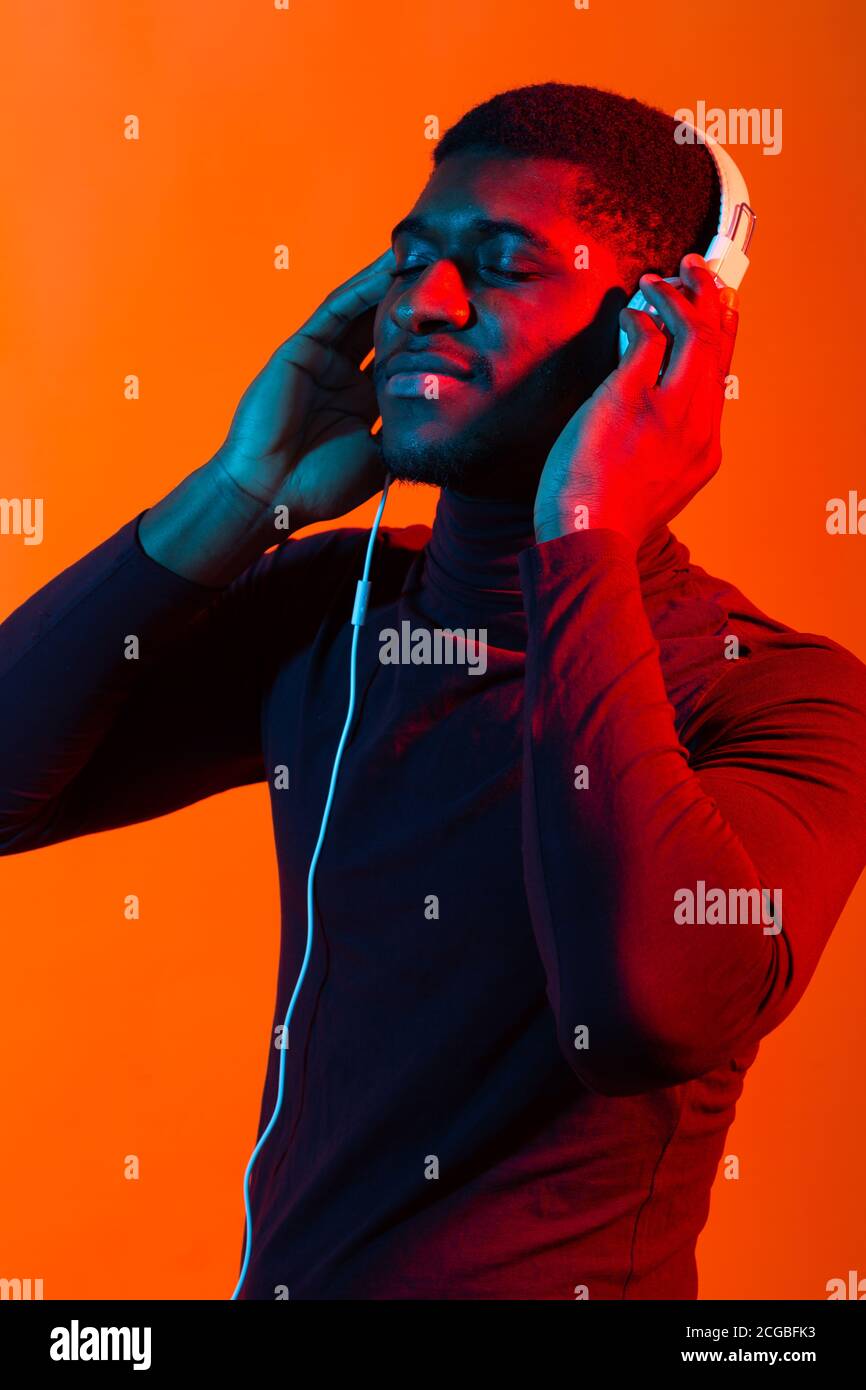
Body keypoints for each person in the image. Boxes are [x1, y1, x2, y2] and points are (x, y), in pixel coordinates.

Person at [2, 82, 865, 1300]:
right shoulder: (338, 608)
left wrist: (583, 532)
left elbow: (640, 1013)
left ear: (654, 334)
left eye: (500, 266)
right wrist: (241, 488)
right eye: (407, 262)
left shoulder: (781, 697)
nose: (422, 303)